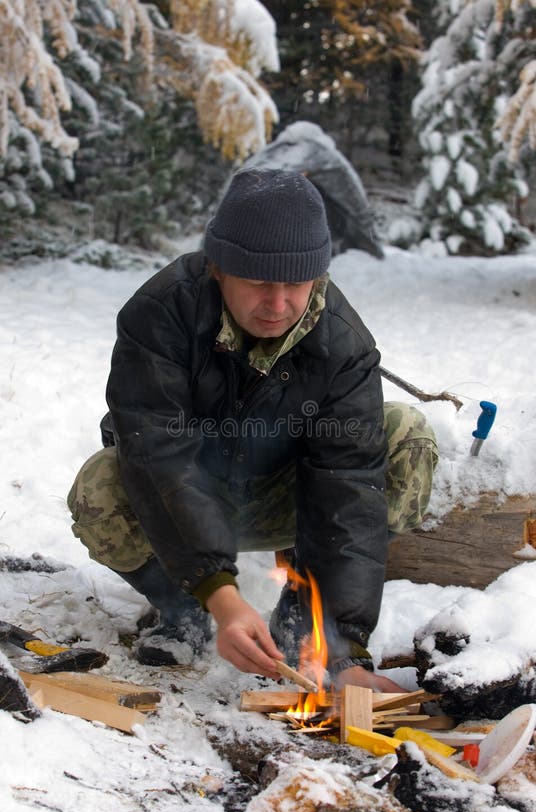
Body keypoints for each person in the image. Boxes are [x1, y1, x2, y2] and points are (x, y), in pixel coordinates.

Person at [68, 169, 438, 692]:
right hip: (184, 494)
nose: (280, 303)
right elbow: (159, 456)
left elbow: (349, 487)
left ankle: (300, 618)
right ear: (219, 270)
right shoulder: (160, 314)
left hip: (283, 497)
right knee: (99, 486)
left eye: (296, 284)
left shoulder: (343, 344)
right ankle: (184, 611)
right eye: (260, 281)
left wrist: (342, 651)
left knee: (405, 434)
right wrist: (220, 596)